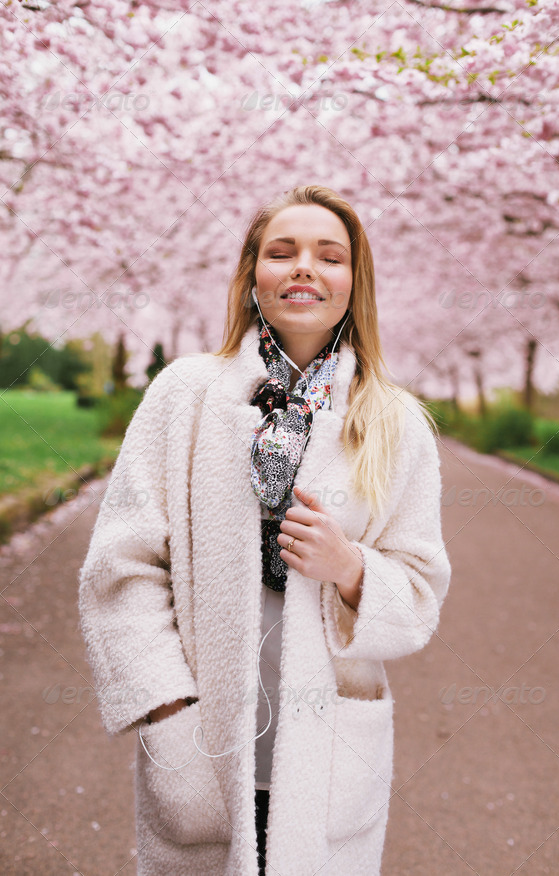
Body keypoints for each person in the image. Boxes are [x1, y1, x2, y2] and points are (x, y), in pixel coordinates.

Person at [78, 184, 452, 876]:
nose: (304, 267)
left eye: (329, 256)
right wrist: (167, 710)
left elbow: (422, 590)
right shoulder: (184, 396)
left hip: (329, 749)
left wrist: (353, 569)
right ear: (254, 277)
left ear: (353, 282)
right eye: (282, 252)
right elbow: (121, 565)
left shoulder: (395, 424)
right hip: (205, 748)